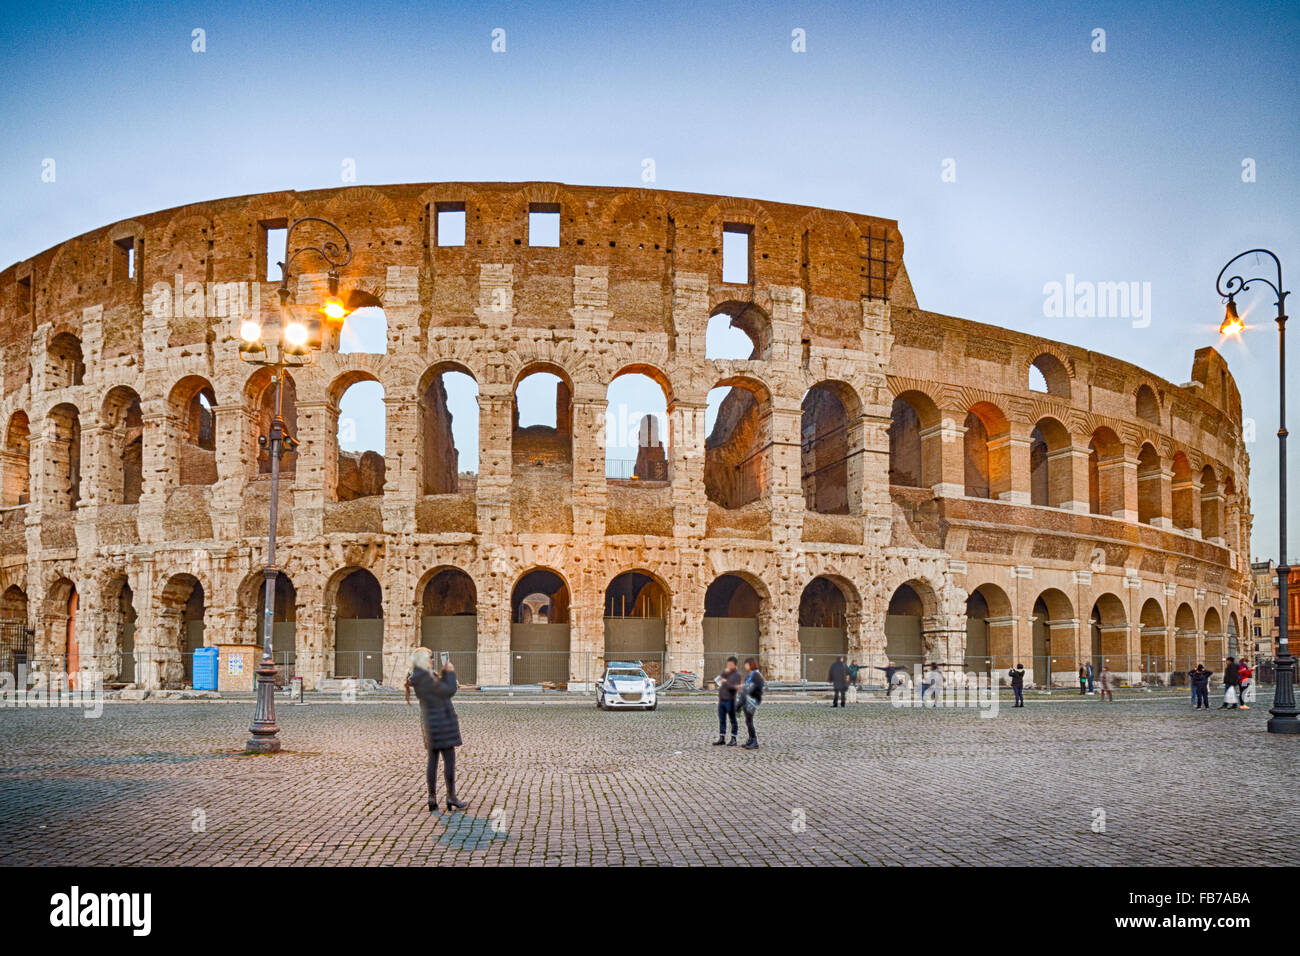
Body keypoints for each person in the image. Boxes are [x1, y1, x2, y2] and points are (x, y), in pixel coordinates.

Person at [406, 648, 466, 813]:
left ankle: (432, 797)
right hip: (442, 722)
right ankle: (451, 796)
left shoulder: (421, 676)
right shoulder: (425, 677)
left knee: (432, 761)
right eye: (431, 658)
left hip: (430, 723)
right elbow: (448, 691)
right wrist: (450, 674)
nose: (433, 660)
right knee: (449, 760)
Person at [713, 656, 743, 746]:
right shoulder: (726, 673)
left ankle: (734, 739)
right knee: (722, 719)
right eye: (728, 664)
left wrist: (725, 682)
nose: (728, 666)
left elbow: (734, 687)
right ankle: (722, 737)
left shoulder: (737, 675)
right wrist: (723, 673)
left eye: (730, 664)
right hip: (722, 700)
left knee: (732, 720)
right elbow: (718, 679)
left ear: (735, 665)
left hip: (730, 700)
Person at [739, 657, 765, 749]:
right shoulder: (750, 675)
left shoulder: (756, 675)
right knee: (748, 720)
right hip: (748, 700)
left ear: (751, 664)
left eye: (746, 664)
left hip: (752, 701)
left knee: (749, 720)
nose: (745, 666)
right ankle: (750, 739)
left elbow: (757, 687)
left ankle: (754, 741)